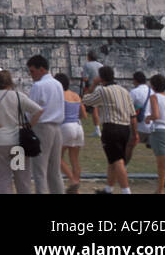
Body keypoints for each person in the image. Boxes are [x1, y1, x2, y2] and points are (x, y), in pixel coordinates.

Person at [0, 69, 43, 194]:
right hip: (18, 141)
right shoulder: (18, 96)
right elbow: (38, 111)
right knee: (22, 177)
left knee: (4, 176)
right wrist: (29, 125)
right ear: (10, 82)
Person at [81, 65, 136, 195]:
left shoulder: (102, 91)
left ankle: (126, 191)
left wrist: (93, 84)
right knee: (113, 159)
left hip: (111, 128)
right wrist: (135, 133)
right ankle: (108, 189)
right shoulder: (124, 91)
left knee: (117, 160)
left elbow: (85, 100)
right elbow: (132, 114)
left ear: (101, 78)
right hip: (125, 128)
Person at [27, 54, 66, 194]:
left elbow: (33, 109)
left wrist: (27, 126)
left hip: (42, 127)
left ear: (41, 69)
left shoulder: (39, 86)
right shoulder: (58, 84)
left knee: (39, 169)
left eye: (32, 71)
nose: (31, 75)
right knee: (54, 170)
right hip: (56, 127)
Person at [56, 73, 86, 193]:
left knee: (57, 157)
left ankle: (73, 180)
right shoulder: (76, 95)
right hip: (78, 127)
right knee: (74, 160)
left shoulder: (59, 95)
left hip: (65, 126)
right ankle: (75, 188)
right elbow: (83, 114)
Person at [82, 51, 104, 138]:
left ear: (89, 57)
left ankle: (97, 129)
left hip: (92, 87)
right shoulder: (101, 65)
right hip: (102, 87)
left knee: (94, 109)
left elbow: (85, 79)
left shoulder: (87, 65)